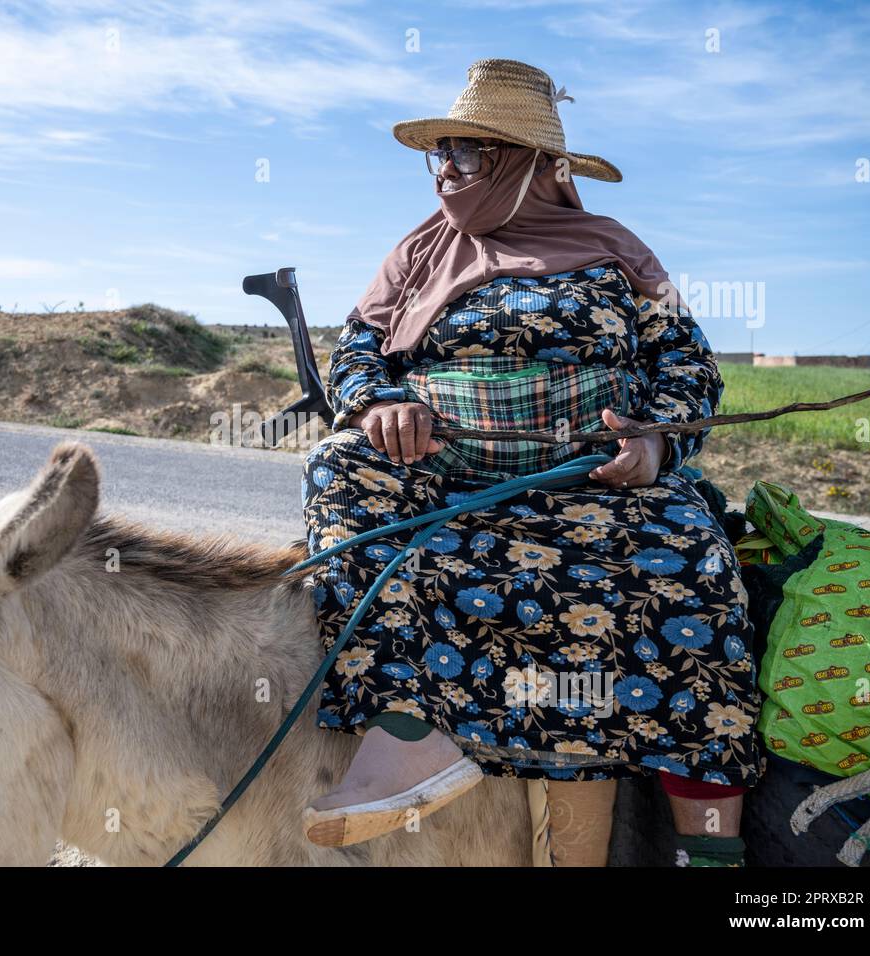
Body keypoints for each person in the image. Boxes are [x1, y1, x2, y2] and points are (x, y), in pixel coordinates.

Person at [300, 58, 763, 866]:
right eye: (440, 152)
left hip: (594, 490)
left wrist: (655, 443)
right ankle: (408, 727)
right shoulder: (417, 254)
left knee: (697, 566)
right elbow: (356, 355)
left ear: (533, 165)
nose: (447, 171)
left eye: (469, 154)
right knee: (338, 471)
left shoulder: (621, 254)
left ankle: (710, 853)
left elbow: (689, 369)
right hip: (443, 479)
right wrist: (380, 406)